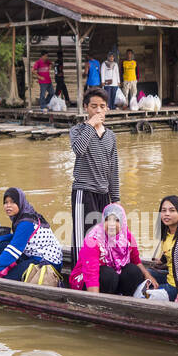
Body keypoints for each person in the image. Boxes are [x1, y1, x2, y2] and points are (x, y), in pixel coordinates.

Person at [70, 87, 120, 262]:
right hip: (84, 192)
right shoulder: (77, 130)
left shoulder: (111, 136)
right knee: (82, 238)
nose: (98, 110)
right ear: (86, 107)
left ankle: (98, 273)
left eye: (102, 106)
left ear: (107, 108)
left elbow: (113, 169)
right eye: (93, 106)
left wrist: (116, 199)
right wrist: (91, 125)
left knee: (102, 238)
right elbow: (78, 149)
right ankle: (79, 275)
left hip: (104, 195)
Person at [0, 188, 64, 281]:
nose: (8, 206)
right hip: (34, 255)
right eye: (5, 202)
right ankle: (14, 268)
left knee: (7, 280)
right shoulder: (24, 216)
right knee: (1, 245)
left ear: (20, 202)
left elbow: (14, 250)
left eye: (12, 202)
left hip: (47, 262)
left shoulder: (26, 222)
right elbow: (20, 236)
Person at [68, 203, 148, 295]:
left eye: (116, 220)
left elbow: (136, 261)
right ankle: (102, 304)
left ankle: (124, 301)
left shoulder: (127, 236)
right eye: (108, 219)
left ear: (122, 222)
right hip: (86, 281)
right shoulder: (93, 241)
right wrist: (96, 301)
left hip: (111, 279)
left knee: (133, 271)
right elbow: (91, 275)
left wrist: (147, 275)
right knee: (108, 275)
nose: (112, 224)